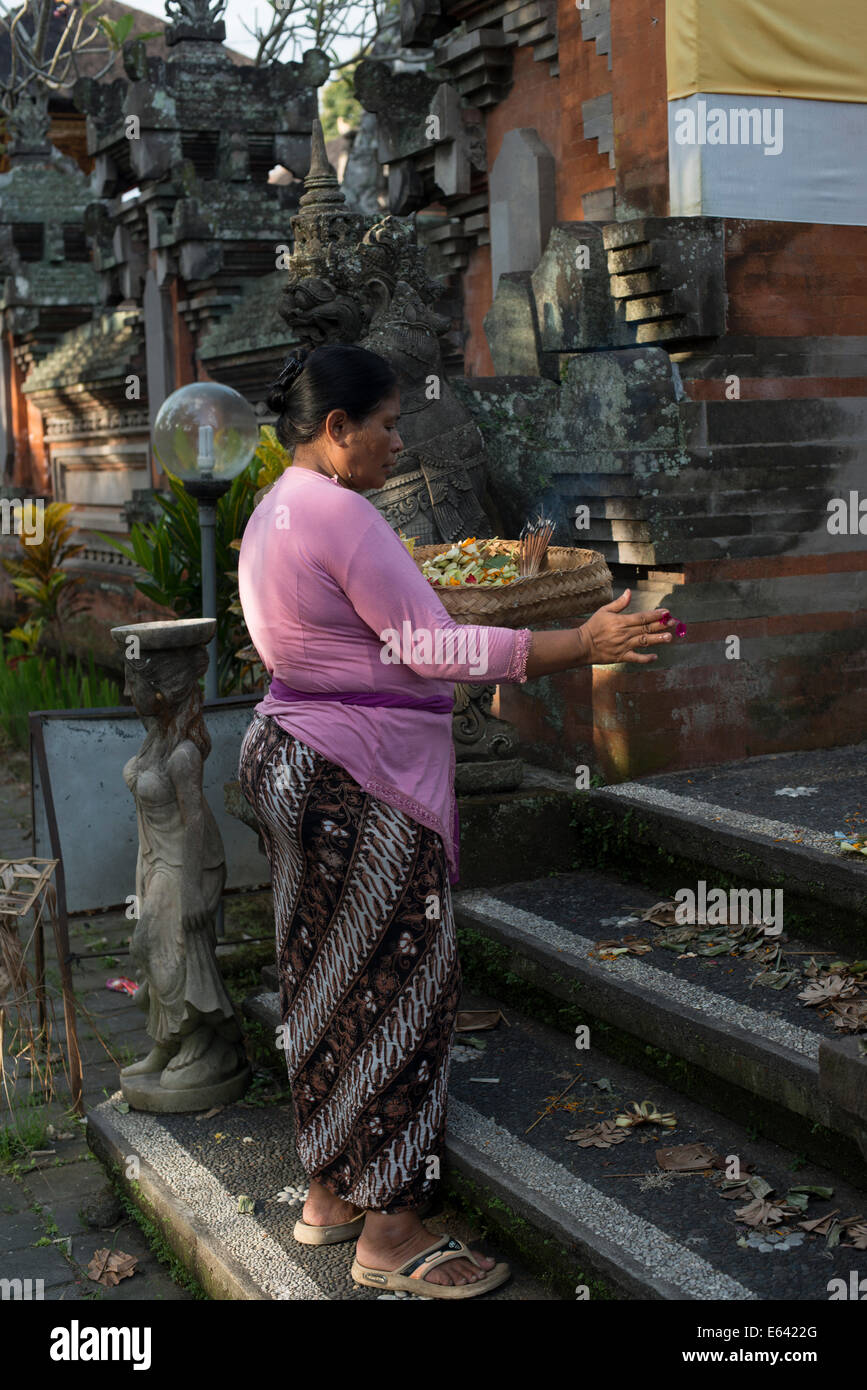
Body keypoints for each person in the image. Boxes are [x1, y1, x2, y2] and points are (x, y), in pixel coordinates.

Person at [237, 343, 678, 1299]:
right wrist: (579, 639)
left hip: (293, 758)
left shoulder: (274, 507)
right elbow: (432, 645)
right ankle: (393, 1231)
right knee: (400, 995)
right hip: (360, 781)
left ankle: (329, 1192)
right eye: (387, 425)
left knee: (323, 983)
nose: (398, 442)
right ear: (336, 428)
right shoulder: (341, 512)